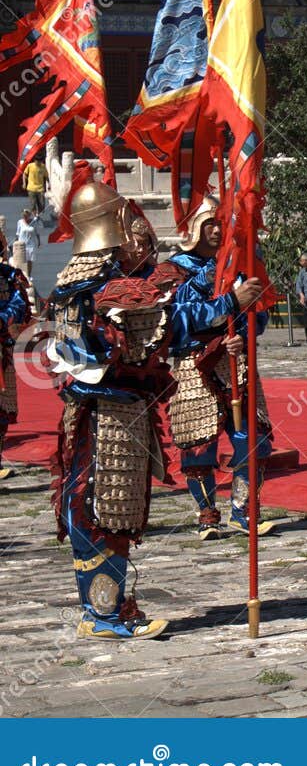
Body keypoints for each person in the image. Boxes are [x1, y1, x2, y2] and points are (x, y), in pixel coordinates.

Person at [47, 179, 171, 637]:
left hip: (98, 405)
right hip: (108, 407)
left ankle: (104, 606)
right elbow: (92, 349)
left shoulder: (74, 276)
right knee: (105, 504)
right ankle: (103, 612)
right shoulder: (101, 280)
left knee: (98, 502)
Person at [165, 196, 271, 537]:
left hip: (235, 362)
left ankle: (243, 511)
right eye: (209, 223)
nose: (215, 230)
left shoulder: (241, 267)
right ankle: (207, 512)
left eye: (219, 224)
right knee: (198, 445)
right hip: (194, 364)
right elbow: (174, 322)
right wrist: (225, 308)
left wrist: (242, 332)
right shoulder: (174, 271)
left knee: (252, 439)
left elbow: (260, 313)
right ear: (195, 229)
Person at [0, 222, 33, 481]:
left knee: (1, 409)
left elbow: (20, 306)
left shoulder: (10, 277)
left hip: (2, 349)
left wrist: (2, 319)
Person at [15, 207, 40, 283]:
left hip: (31, 244)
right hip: (22, 244)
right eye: (24, 216)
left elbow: (36, 233)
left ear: (29, 216)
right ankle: (22, 275)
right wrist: (16, 243)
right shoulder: (20, 222)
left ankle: (28, 275)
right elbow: (18, 233)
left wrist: (39, 242)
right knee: (22, 260)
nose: (25, 217)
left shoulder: (33, 222)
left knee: (30, 260)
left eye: (26, 216)